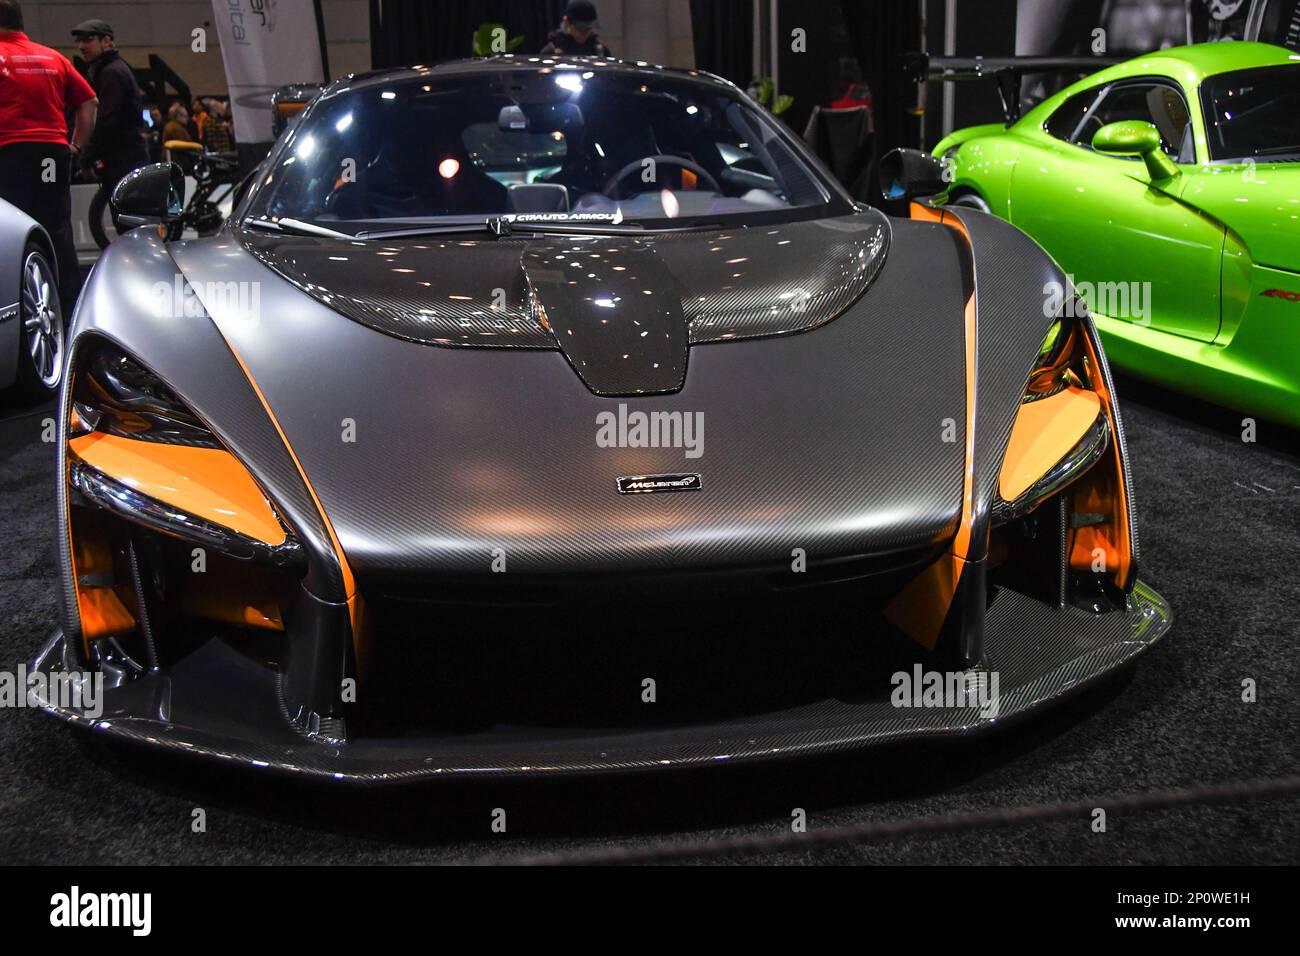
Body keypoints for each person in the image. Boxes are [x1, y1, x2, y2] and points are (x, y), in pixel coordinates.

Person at [0, 0, 98, 313]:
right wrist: (76, 146)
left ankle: (21, 303)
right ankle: (70, 308)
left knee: (12, 231)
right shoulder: (52, 56)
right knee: (56, 227)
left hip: (10, 155)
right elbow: (90, 102)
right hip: (52, 157)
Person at [72, 19, 148, 230]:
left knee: (129, 224)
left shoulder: (111, 72)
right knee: (131, 222)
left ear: (106, 41)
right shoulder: (109, 69)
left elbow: (108, 121)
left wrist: (86, 157)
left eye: (88, 39)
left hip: (124, 159)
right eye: (79, 40)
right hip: (125, 157)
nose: (81, 46)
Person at [540, 0, 613, 57]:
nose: (584, 33)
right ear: (566, 22)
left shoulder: (600, 50)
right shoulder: (551, 50)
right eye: (580, 28)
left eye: (588, 29)